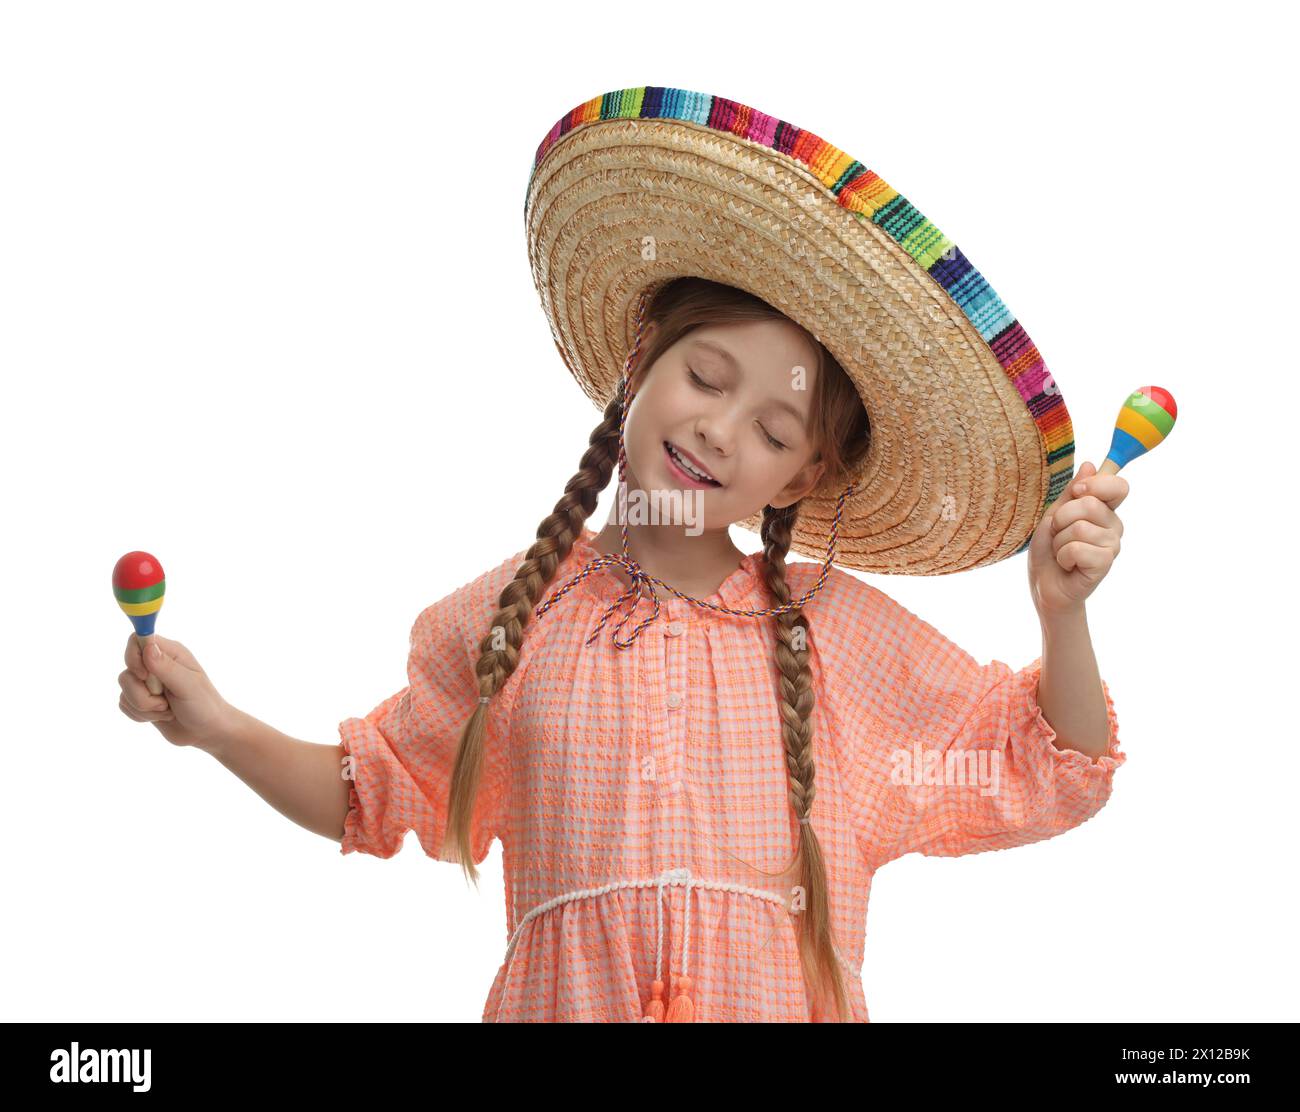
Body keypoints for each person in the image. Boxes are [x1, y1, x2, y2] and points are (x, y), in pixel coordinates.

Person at [116, 87, 1130, 1022]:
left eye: (775, 433)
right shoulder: (501, 621)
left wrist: (1060, 612)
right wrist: (214, 724)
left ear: (800, 480)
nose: (724, 432)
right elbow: (373, 788)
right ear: (642, 360)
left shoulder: (835, 637)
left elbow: (1052, 764)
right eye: (705, 375)